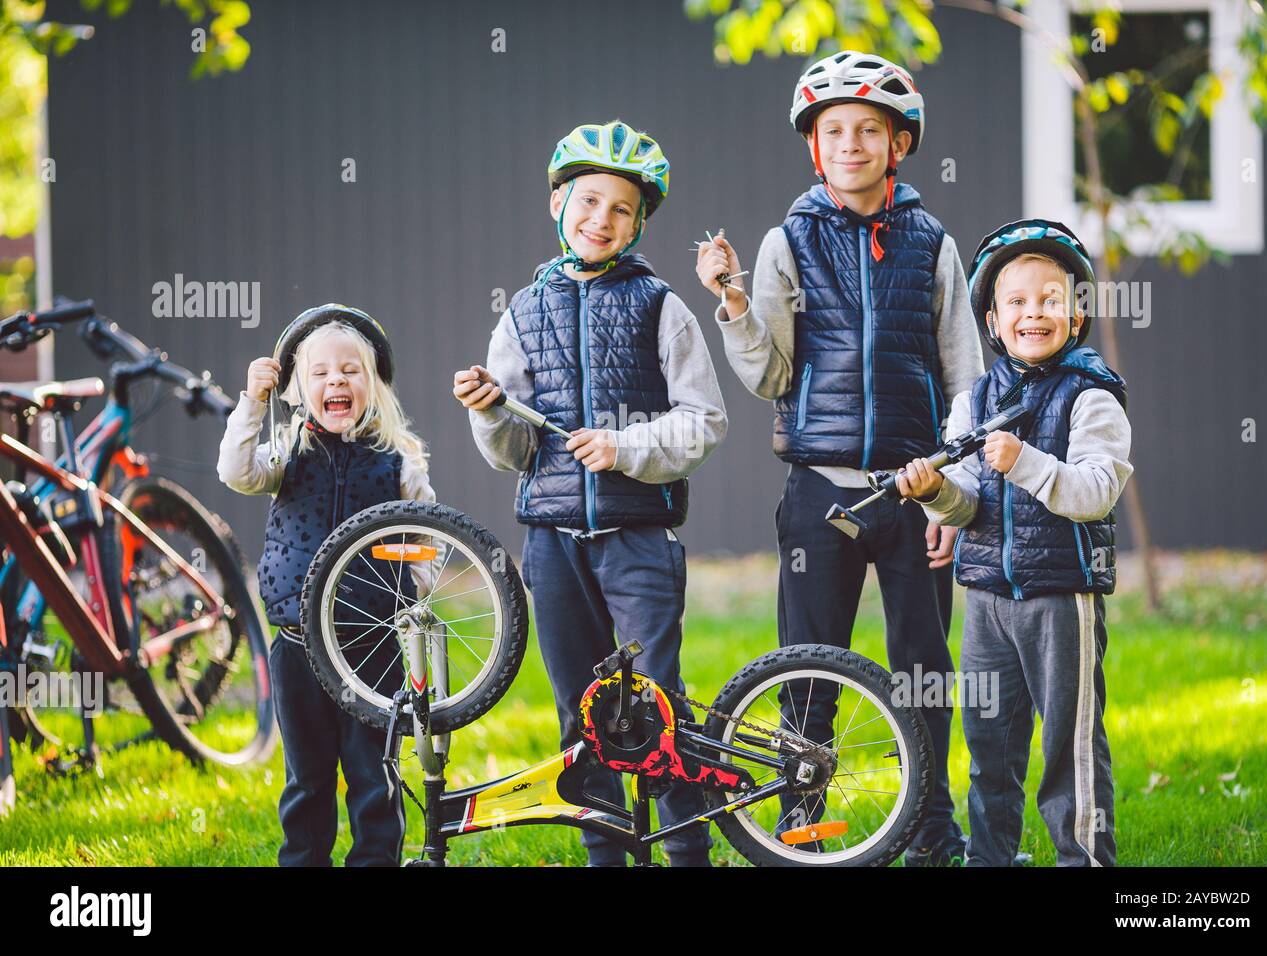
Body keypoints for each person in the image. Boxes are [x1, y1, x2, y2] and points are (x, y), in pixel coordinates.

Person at [695, 51, 984, 865]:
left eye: (870, 130)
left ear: (900, 145)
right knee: (810, 665)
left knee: (923, 668)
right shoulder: (787, 242)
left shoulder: (933, 244)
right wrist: (733, 306)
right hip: (820, 495)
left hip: (916, 490)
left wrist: (954, 492)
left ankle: (932, 828)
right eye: (834, 131)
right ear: (812, 148)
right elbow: (771, 376)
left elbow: (965, 373)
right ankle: (803, 821)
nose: (851, 143)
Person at [454, 120, 728, 866]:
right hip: (551, 543)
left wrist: (625, 447)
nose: (600, 220)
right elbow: (513, 450)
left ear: (640, 223)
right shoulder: (520, 313)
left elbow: (705, 422)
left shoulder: (661, 307)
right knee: (582, 718)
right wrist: (488, 411)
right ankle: (610, 857)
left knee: (652, 712)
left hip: (638, 536)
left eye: (620, 209)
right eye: (588, 201)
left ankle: (686, 853)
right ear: (557, 204)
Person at [896, 219, 1131, 866]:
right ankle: (989, 856)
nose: (1034, 313)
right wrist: (931, 494)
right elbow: (965, 499)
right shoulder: (975, 400)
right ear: (994, 322)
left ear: (1076, 316)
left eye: (1050, 300)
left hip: (1061, 596)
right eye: (1017, 303)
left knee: (1069, 743)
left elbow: (1095, 492)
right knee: (990, 744)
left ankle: (1082, 856)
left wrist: (1024, 460)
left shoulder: (1092, 397)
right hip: (988, 599)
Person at [218, 304, 435, 866]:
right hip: (298, 645)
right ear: (297, 389)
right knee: (307, 778)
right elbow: (235, 472)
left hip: (373, 645)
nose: (336, 380)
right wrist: (252, 403)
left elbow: (422, 544)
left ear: (373, 385)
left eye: (351, 371)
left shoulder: (398, 463)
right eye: (320, 373)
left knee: (373, 776)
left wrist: (417, 613)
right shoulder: (287, 452)